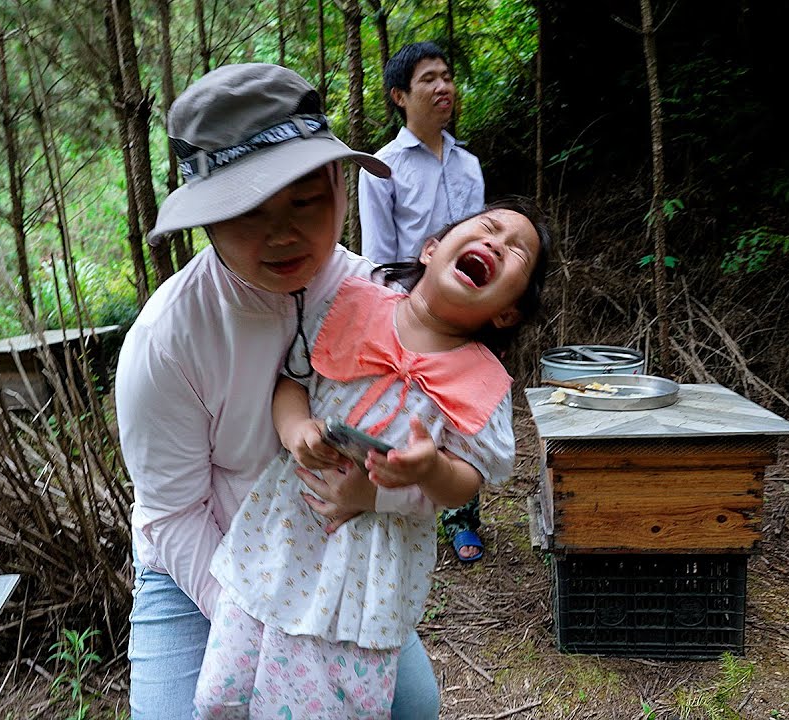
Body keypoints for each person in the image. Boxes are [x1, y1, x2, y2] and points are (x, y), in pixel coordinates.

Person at [115, 63, 440, 720]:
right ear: (205, 220)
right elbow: (174, 513)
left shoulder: (380, 308)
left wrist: (378, 495)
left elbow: (424, 463)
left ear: (339, 189)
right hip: (197, 569)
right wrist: (264, 629)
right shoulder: (168, 339)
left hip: (333, 556)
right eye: (249, 214)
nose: (284, 234)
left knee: (413, 708)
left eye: (303, 201)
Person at [195, 201, 551, 717]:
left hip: (365, 565)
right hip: (287, 526)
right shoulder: (352, 304)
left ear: (507, 311)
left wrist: (427, 471)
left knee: (316, 704)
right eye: (489, 227)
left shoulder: (483, 382)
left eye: (516, 250)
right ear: (431, 250)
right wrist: (296, 429)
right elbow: (292, 382)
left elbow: (467, 482)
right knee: (220, 694)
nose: (497, 242)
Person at [359, 40, 490, 564]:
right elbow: (377, 254)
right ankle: (397, 506)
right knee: (412, 413)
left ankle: (462, 520)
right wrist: (396, 319)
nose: (443, 88)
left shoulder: (469, 165)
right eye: (428, 80)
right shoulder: (382, 168)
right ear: (399, 95)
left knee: (464, 411)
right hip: (409, 308)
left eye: (447, 77)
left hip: (469, 306)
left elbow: (484, 243)